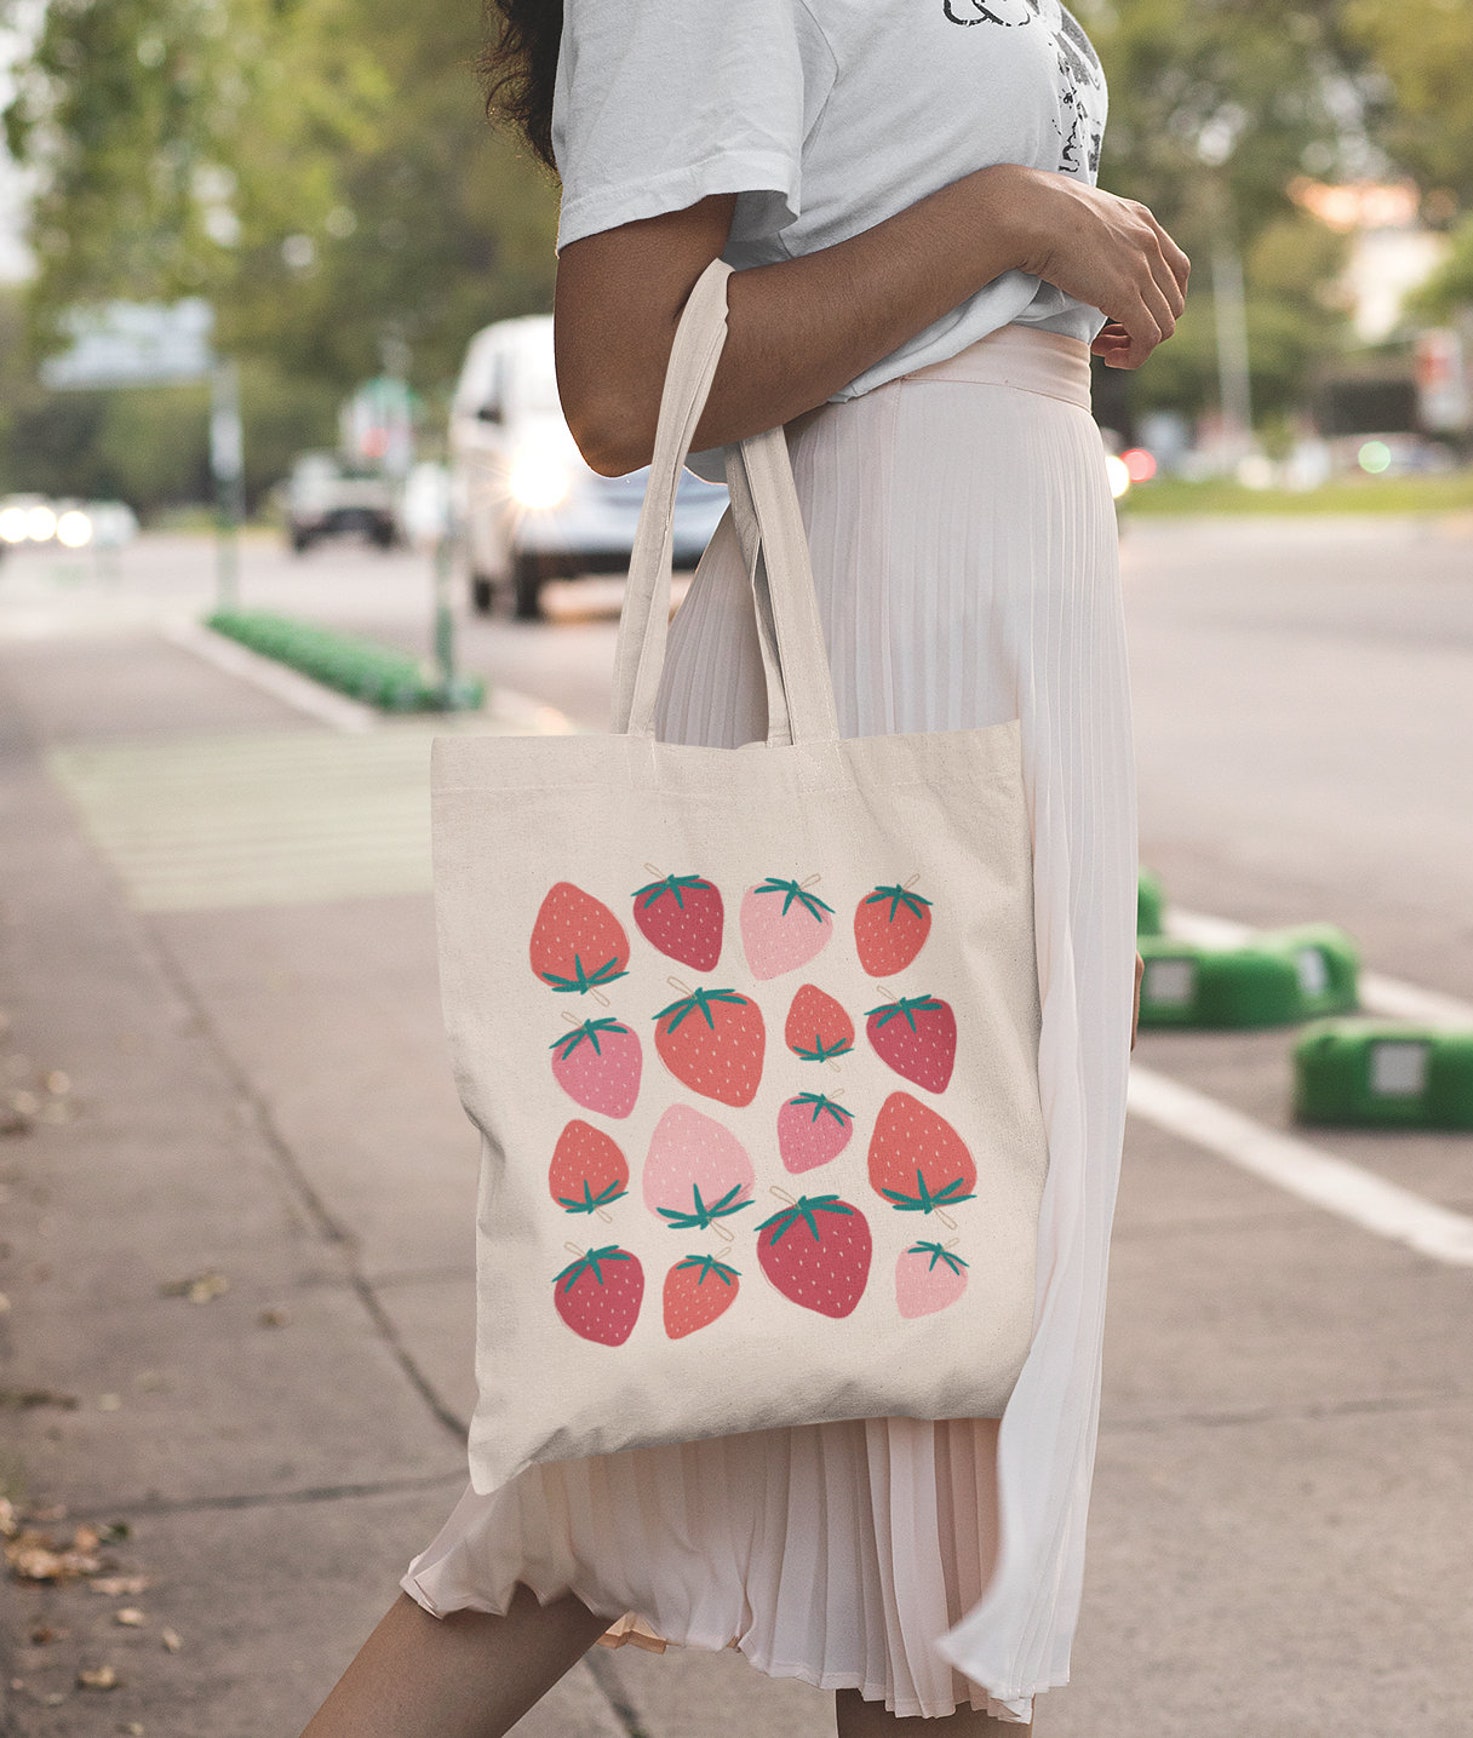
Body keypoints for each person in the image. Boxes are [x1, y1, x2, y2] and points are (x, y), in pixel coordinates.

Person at [304, 0, 1182, 1732]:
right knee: (936, 1430)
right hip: (879, 663)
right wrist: (1008, 217)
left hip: (997, 654)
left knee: (810, 1448)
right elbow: (628, 385)